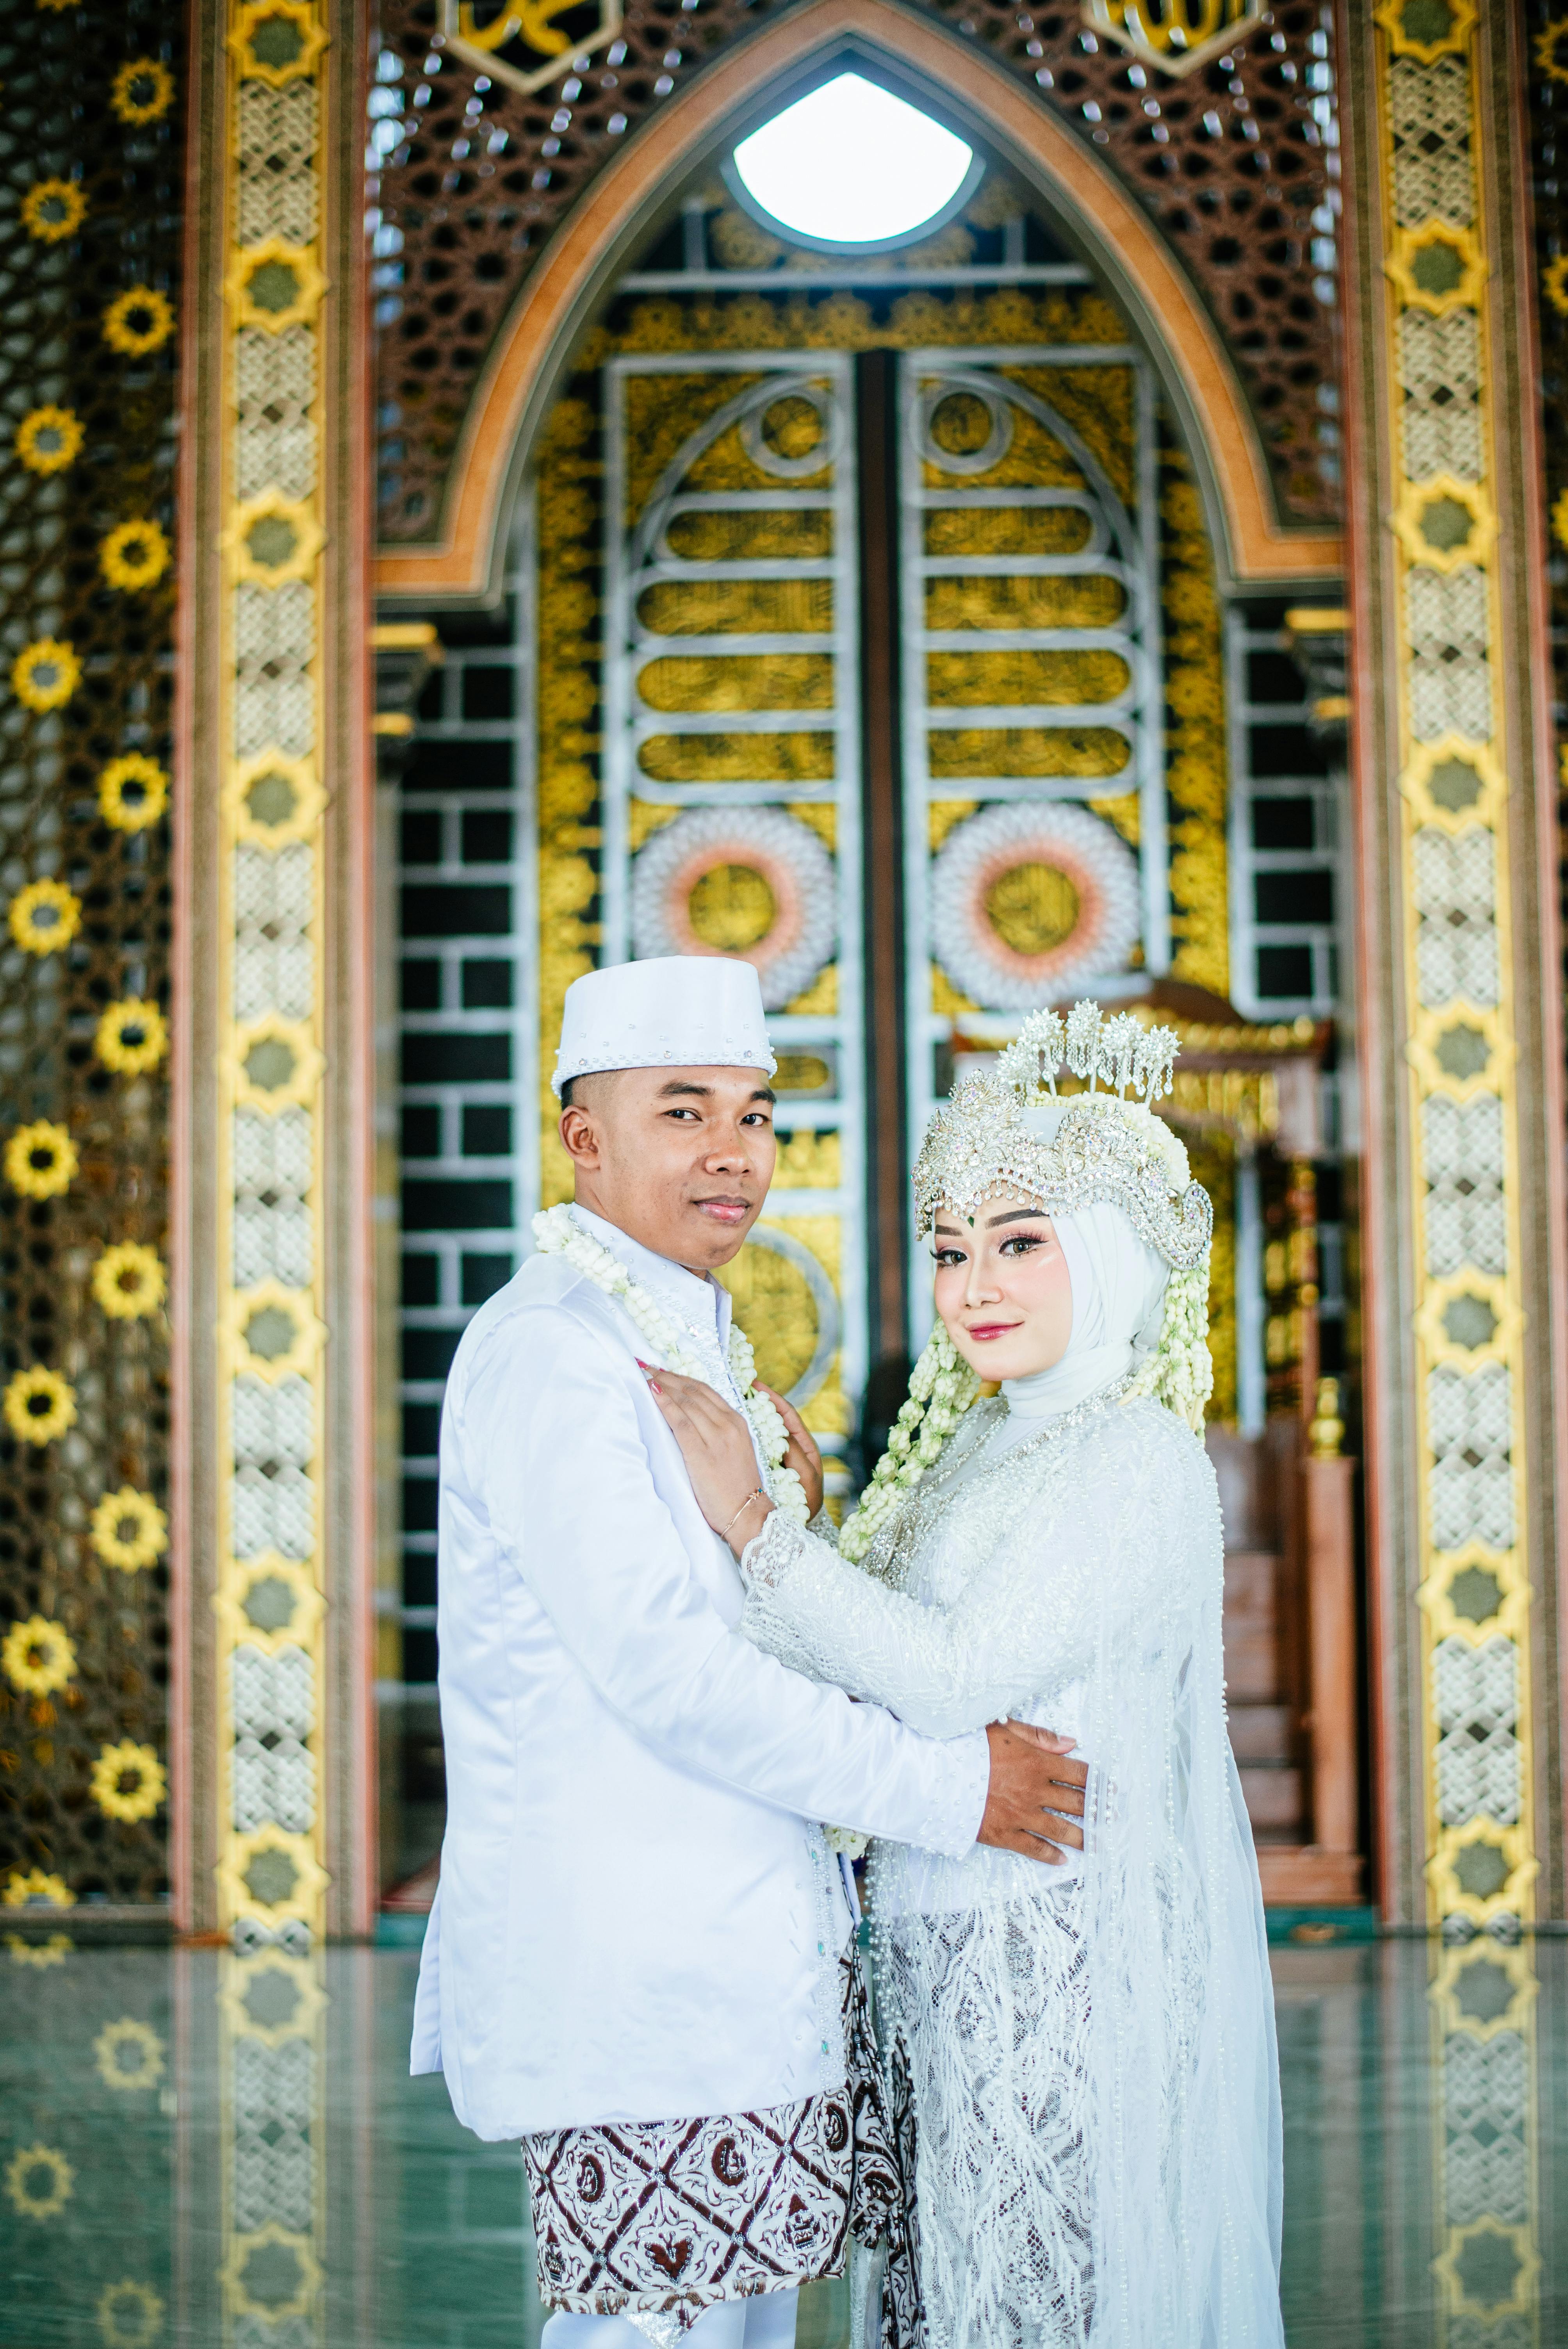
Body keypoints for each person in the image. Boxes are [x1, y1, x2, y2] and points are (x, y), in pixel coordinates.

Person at [410, 955, 1092, 2349]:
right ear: (583, 1139)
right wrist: (951, 1790)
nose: (735, 1154)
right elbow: (665, 1675)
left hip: (739, 1965)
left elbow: (728, 1630)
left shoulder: (678, 1336)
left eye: (757, 1113)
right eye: (684, 1113)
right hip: (639, 1978)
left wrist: (791, 1531)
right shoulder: (555, 1352)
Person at [649, 1003, 1285, 2349]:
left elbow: (951, 1680)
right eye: (951, 1252)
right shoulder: (985, 1443)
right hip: (948, 1948)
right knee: (948, 2300)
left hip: (1063, 1965)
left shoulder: (1131, 1458)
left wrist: (762, 1535)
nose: (974, 1286)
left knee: (1036, 2302)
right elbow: (871, 1661)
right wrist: (804, 1530)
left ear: (1110, 1256)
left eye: (1019, 1245)